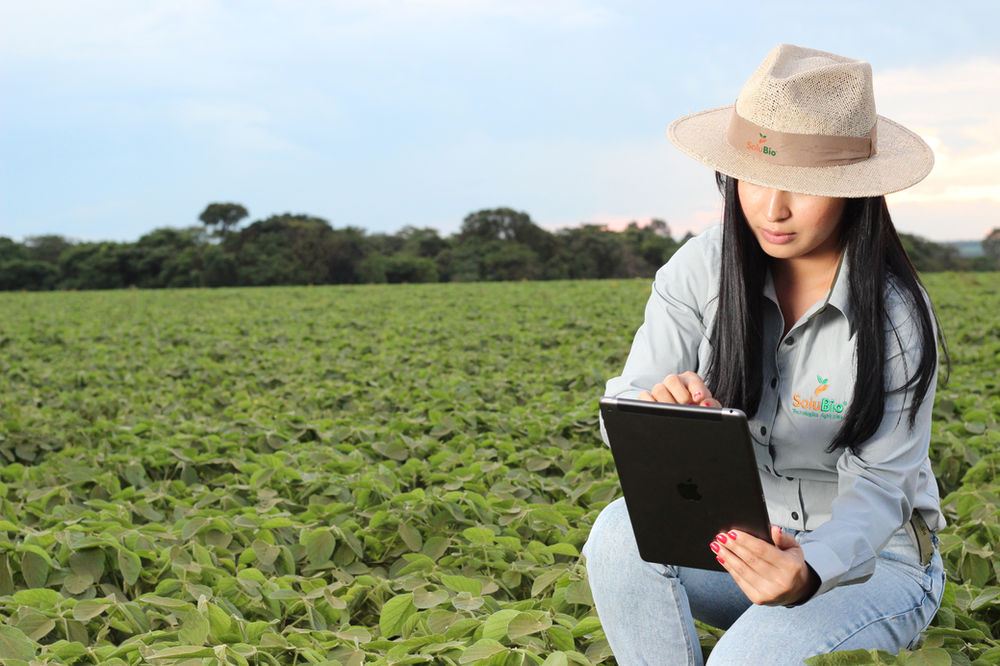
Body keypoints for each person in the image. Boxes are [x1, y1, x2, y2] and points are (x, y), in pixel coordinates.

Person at [582, 44, 948, 665]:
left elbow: (883, 491)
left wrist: (807, 571)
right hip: (742, 542)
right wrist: (658, 413)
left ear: (854, 192)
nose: (772, 210)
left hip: (871, 565)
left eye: (802, 187)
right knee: (617, 532)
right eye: (754, 179)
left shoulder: (897, 316)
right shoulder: (701, 266)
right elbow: (621, 409)